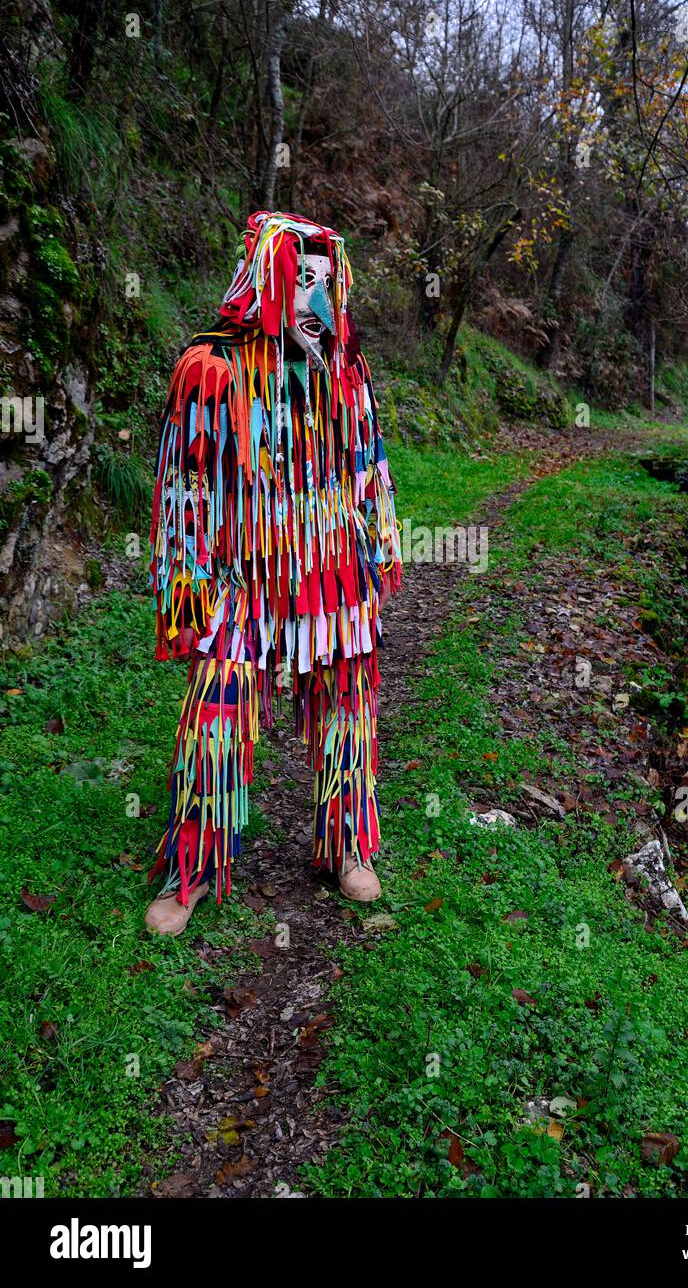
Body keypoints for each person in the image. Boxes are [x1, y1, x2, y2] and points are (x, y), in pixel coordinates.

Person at [143, 211, 401, 935]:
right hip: (242, 585)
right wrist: (189, 588)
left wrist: (377, 552)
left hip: (333, 577)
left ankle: (346, 842)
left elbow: (369, 469)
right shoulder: (210, 370)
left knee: (350, 711)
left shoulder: (345, 369)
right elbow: (184, 493)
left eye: (329, 285)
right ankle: (190, 869)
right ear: (267, 282)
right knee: (214, 717)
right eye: (303, 283)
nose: (317, 303)